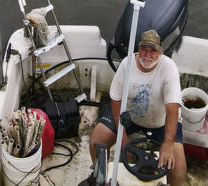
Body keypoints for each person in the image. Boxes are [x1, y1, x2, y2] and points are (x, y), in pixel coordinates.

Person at [79, 29, 186, 186]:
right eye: (144, 49)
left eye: (153, 51)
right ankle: (98, 175)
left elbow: (172, 110)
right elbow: (116, 100)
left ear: (161, 52)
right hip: (127, 117)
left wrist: (168, 144)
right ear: (138, 49)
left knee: (179, 171)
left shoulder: (169, 68)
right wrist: (122, 137)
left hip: (161, 122)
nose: (147, 55)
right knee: (96, 141)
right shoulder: (126, 64)